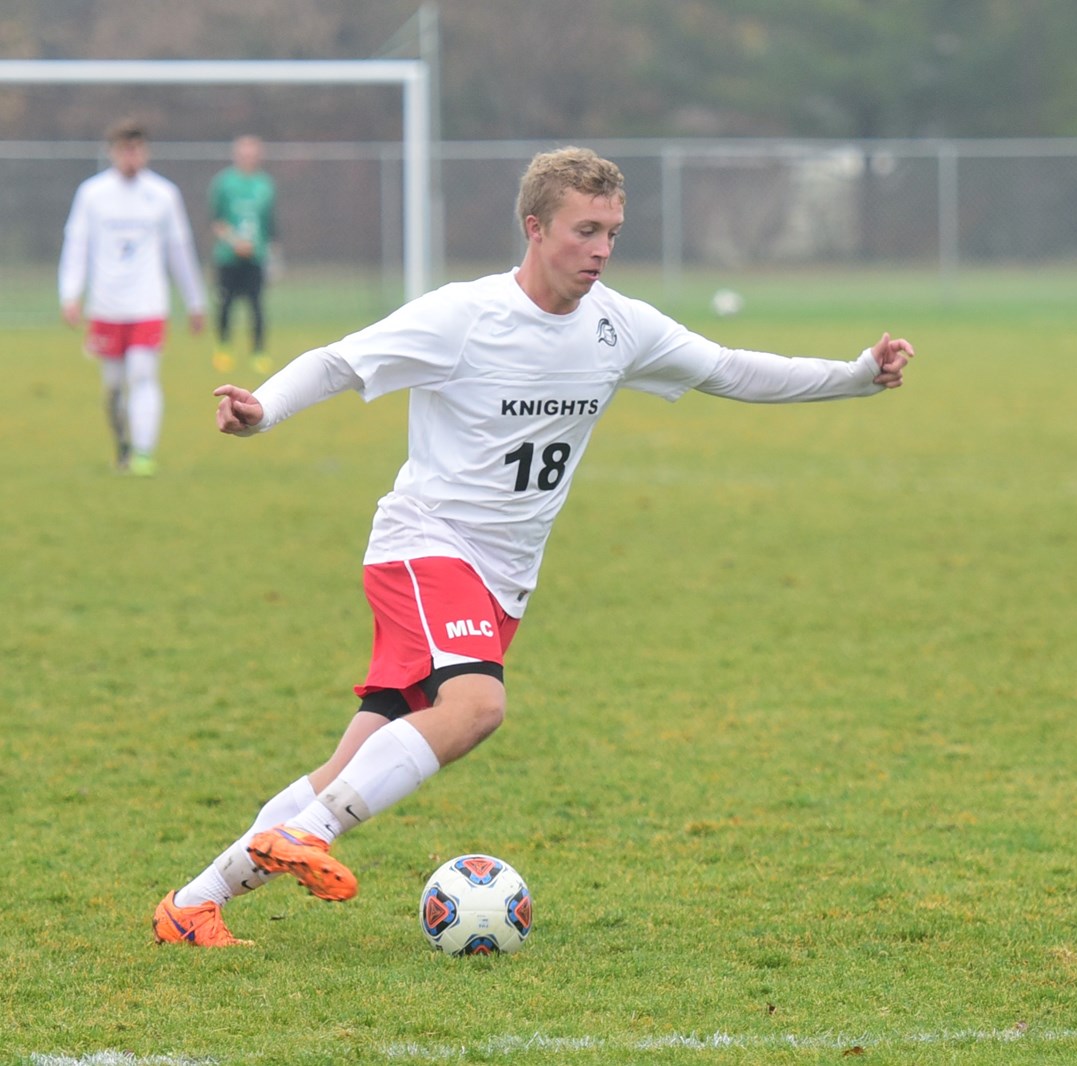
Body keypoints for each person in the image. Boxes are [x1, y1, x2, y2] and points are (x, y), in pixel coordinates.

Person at [151, 146, 915, 947]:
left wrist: (857, 375)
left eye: (613, 233)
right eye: (585, 231)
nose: (601, 250)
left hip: (502, 580)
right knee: (478, 707)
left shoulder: (620, 327)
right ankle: (314, 833)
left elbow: (731, 369)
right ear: (535, 227)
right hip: (425, 543)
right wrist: (262, 410)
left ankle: (195, 902)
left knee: (352, 761)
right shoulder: (465, 315)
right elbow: (342, 361)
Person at [59, 118, 206, 476]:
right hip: (106, 305)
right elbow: (77, 244)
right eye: (125, 148)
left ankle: (143, 453)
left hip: (147, 304)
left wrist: (195, 300)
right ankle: (124, 445)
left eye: (137, 148)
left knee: (142, 375)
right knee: (113, 385)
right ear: (112, 152)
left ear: (146, 151)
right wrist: (70, 294)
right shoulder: (92, 194)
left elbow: (179, 250)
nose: (131, 156)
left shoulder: (163, 195)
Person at [208, 134, 277, 376]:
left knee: (256, 306)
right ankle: (223, 348)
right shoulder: (224, 183)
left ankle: (258, 352)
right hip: (229, 257)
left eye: (253, 152)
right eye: (244, 152)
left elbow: (270, 225)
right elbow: (217, 222)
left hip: (255, 257)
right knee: (225, 304)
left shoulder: (265, 185)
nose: (248, 157)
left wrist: (273, 255)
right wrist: (235, 242)